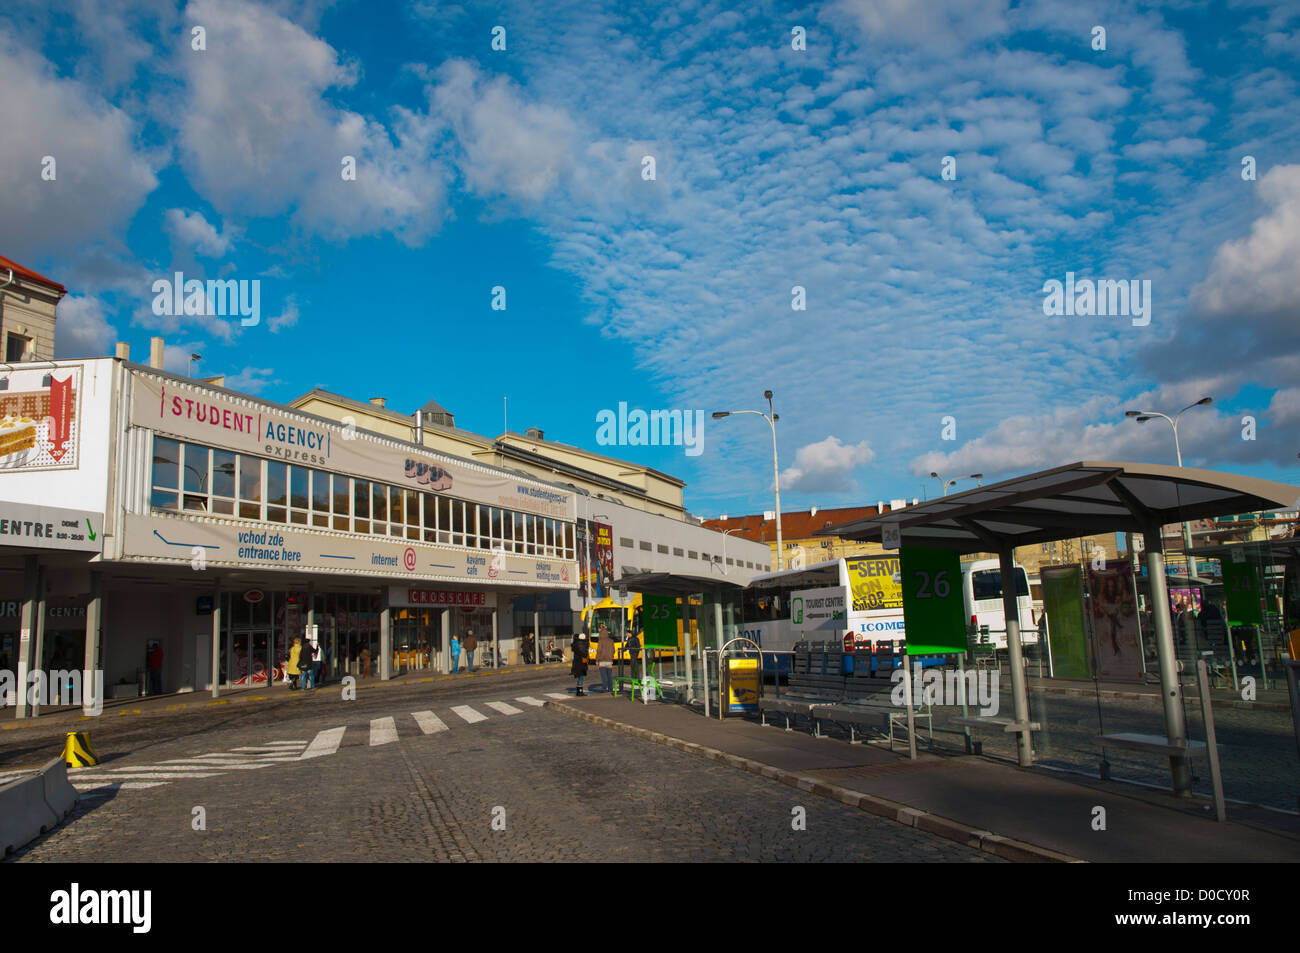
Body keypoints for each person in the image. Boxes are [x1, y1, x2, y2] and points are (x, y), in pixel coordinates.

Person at [595, 624, 615, 694]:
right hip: (609, 660)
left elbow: (599, 651)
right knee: (609, 675)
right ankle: (610, 688)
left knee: (604, 676)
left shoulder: (600, 641)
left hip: (602, 660)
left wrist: (597, 660)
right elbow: (613, 650)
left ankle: (604, 688)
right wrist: (612, 657)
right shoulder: (611, 641)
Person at [571, 629, 590, 696]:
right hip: (580, 663)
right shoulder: (581, 644)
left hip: (578, 662)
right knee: (580, 677)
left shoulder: (576, 644)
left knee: (580, 677)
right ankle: (580, 691)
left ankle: (579, 690)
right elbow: (583, 653)